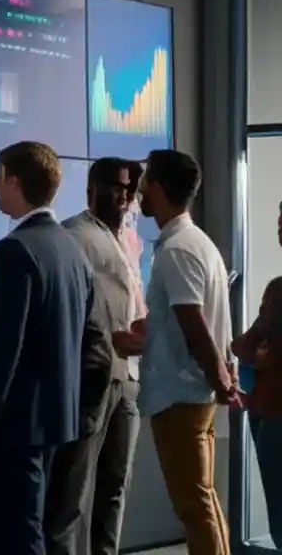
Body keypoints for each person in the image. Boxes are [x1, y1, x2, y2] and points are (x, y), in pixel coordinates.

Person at [0, 141, 93, 555]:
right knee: (31, 528)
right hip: (55, 419)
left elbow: (5, 344)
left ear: (14, 181)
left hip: (14, 426)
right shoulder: (72, 248)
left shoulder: (15, 250)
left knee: (9, 535)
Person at [113, 149, 240, 555]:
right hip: (193, 393)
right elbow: (191, 321)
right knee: (203, 500)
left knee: (193, 506)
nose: (137, 192)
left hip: (180, 397)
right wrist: (147, 335)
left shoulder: (176, 250)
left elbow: (194, 324)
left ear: (159, 188)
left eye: (144, 182)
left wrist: (220, 378)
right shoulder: (195, 243)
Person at [45, 158, 144, 555]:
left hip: (127, 379)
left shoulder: (128, 239)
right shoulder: (75, 235)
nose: (124, 195)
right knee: (72, 490)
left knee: (115, 487)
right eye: (116, 186)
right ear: (92, 190)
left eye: (129, 188)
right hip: (91, 380)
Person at [231, 208, 282, 540]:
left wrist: (259, 352)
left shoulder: (278, 292)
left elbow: (247, 346)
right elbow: (250, 346)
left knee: (279, 511)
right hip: (267, 406)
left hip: (273, 411)